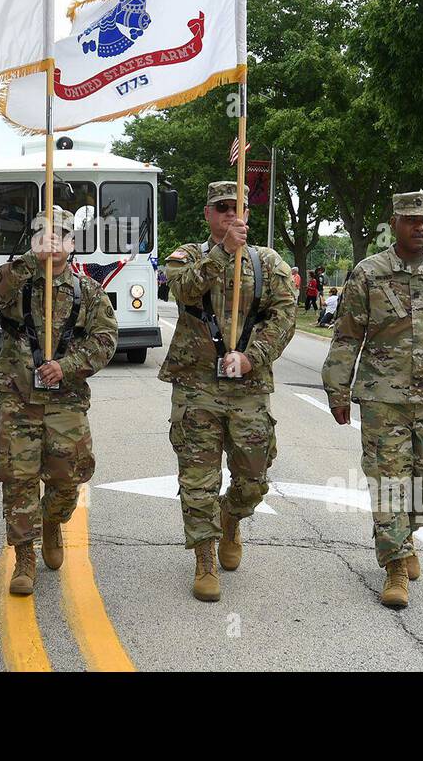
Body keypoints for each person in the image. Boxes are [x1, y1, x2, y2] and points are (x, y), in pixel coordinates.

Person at [322, 191, 423, 610]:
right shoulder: (369, 273)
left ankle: (406, 533)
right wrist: (337, 389)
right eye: (412, 220)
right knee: (389, 482)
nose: (421, 228)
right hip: (384, 398)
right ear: (393, 223)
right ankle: (394, 565)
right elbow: (347, 336)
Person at [161, 182, 297, 602]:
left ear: (248, 215)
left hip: (248, 389)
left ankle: (232, 519)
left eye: (236, 208)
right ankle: (204, 559)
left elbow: (284, 316)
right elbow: (181, 290)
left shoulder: (268, 262)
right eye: (221, 209)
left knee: (253, 479)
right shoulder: (188, 255)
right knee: (198, 480)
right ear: (208, 214)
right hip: (196, 388)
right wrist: (222, 252)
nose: (229, 215)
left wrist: (253, 357)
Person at [0, 205, 117, 597]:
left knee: (68, 476)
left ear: (73, 243)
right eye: (44, 233)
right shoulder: (17, 284)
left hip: (66, 400)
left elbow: (106, 340)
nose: (53, 240)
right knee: (17, 477)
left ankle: (52, 522)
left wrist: (69, 365)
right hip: (19, 397)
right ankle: (24, 557)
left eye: (60, 234)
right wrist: (29, 259)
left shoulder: (87, 292)